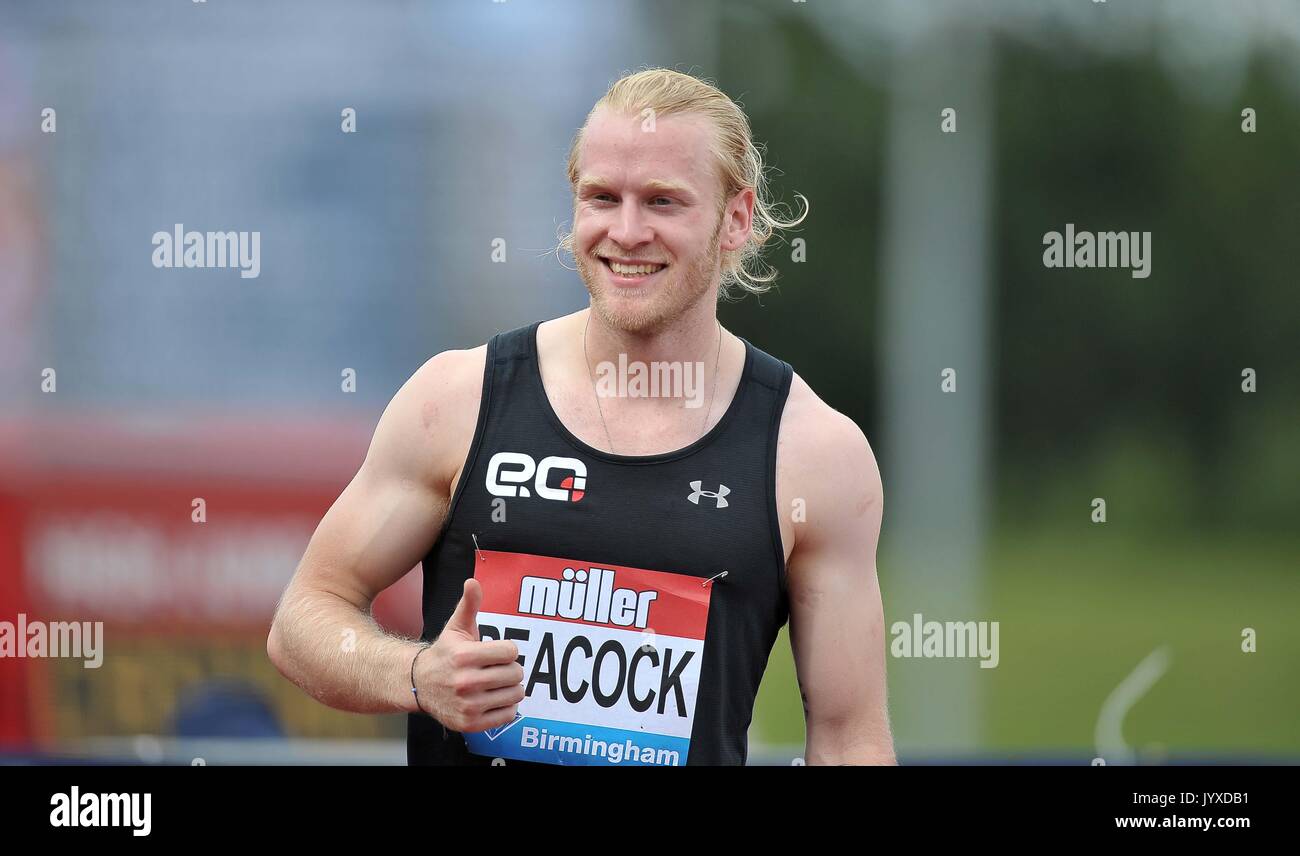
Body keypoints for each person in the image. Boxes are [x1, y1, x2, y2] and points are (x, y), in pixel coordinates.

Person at [268, 68, 894, 766]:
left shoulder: (814, 455)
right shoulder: (458, 400)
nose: (627, 232)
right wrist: (417, 677)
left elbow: (850, 740)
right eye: (603, 197)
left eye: (663, 201)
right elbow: (301, 621)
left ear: (736, 220)